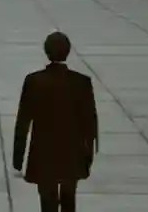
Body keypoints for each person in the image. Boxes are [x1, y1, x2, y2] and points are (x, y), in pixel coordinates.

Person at [12, 30, 98, 212]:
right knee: (69, 198)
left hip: (43, 151)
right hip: (72, 152)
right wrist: (88, 154)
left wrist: (18, 158)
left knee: (47, 199)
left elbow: (23, 120)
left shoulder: (34, 81)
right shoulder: (81, 82)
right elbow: (90, 122)